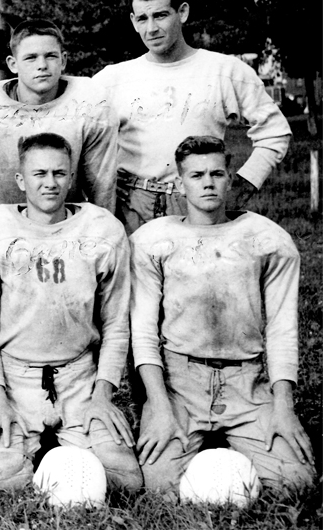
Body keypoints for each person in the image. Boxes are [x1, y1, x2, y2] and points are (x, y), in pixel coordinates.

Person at [131, 135, 314, 493]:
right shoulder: (153, 240)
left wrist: (284, 406)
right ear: (179, 184)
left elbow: (281, 329)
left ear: (230, 177)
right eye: (196, 175)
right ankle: (203, 442)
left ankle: (239, 438)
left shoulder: (265, 238)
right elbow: (143, 332)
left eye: (217, 173)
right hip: (180, 382)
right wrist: (159, 406)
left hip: (245, 380)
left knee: (297, 483)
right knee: (158, 486)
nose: (208, 182)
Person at [0, 133, 142, 492]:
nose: (50, 183)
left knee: (124, 479)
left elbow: (115, 325)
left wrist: (102, 396)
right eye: (39, 174)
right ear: (20, 180)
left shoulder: (102, 229)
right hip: (17, 377)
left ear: (71, 176)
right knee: (0, 480)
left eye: (60, 173)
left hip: (79, 375)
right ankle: (32, 444)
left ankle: (65, 441)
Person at [93, 0, 291, 234]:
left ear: (182, 12)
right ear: (133, 21)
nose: (151, 28)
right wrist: (105, 191)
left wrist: (245, 184)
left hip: (198, 203)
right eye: (142, 18)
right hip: (131, 207)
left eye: (161, 15)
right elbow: (81, 141)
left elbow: (275, 132)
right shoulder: (111, 79)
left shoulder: (225, 71)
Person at [0, 20, 116, 230]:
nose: (42, 65)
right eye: (31, 58)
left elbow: (102, 187)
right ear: (12, 64)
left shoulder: (90, 101)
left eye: (50, 56)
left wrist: (102, 234)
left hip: (71, 227)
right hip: (8, 226)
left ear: (63, 60)